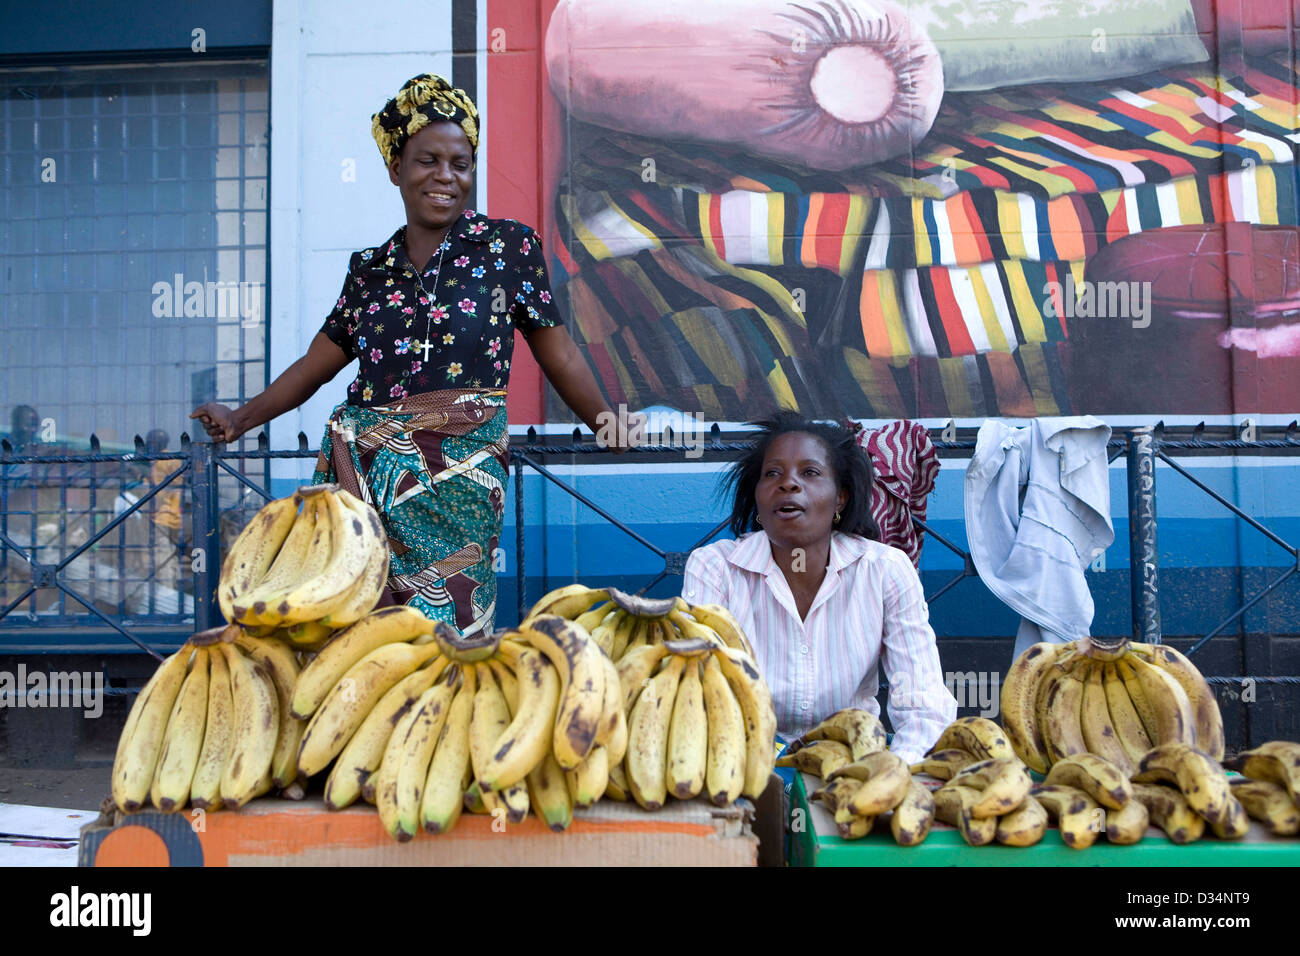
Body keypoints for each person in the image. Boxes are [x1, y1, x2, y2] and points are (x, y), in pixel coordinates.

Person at [192, 74, 636, 637]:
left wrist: (604, 418)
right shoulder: (370, 271)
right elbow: (314, 366)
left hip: (462, 479)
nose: (447, 176)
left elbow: (560, 352)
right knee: (358, 628)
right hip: (366, 483)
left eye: (461, 163)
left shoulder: (508, 249)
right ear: (396, 167)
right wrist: (240, 418)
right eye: (429, 160)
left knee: (451, 633)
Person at [681, 412, 956, 762]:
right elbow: (697, 691)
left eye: (809, 473)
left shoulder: (885, 570)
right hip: (741, 766)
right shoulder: (715, 568)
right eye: (772, 474)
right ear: (759, 497)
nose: (789, 484)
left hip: (854, 767)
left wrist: (895, 773)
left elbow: (923, 704)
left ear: (840, 497)